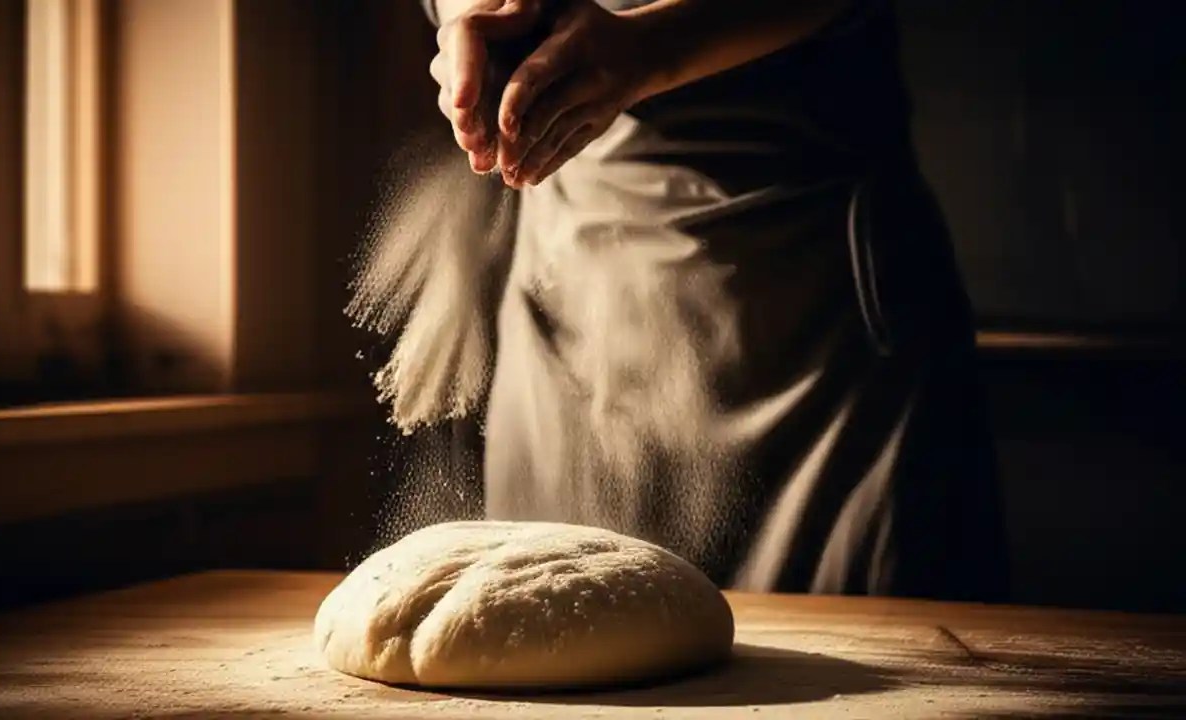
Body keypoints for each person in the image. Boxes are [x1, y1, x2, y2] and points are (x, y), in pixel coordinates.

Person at [416, 0, 1009, 602]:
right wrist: (489, 24)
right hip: (575, 305)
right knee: (560, 637)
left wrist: (652, 46)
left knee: (879, 661)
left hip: (816, 315)